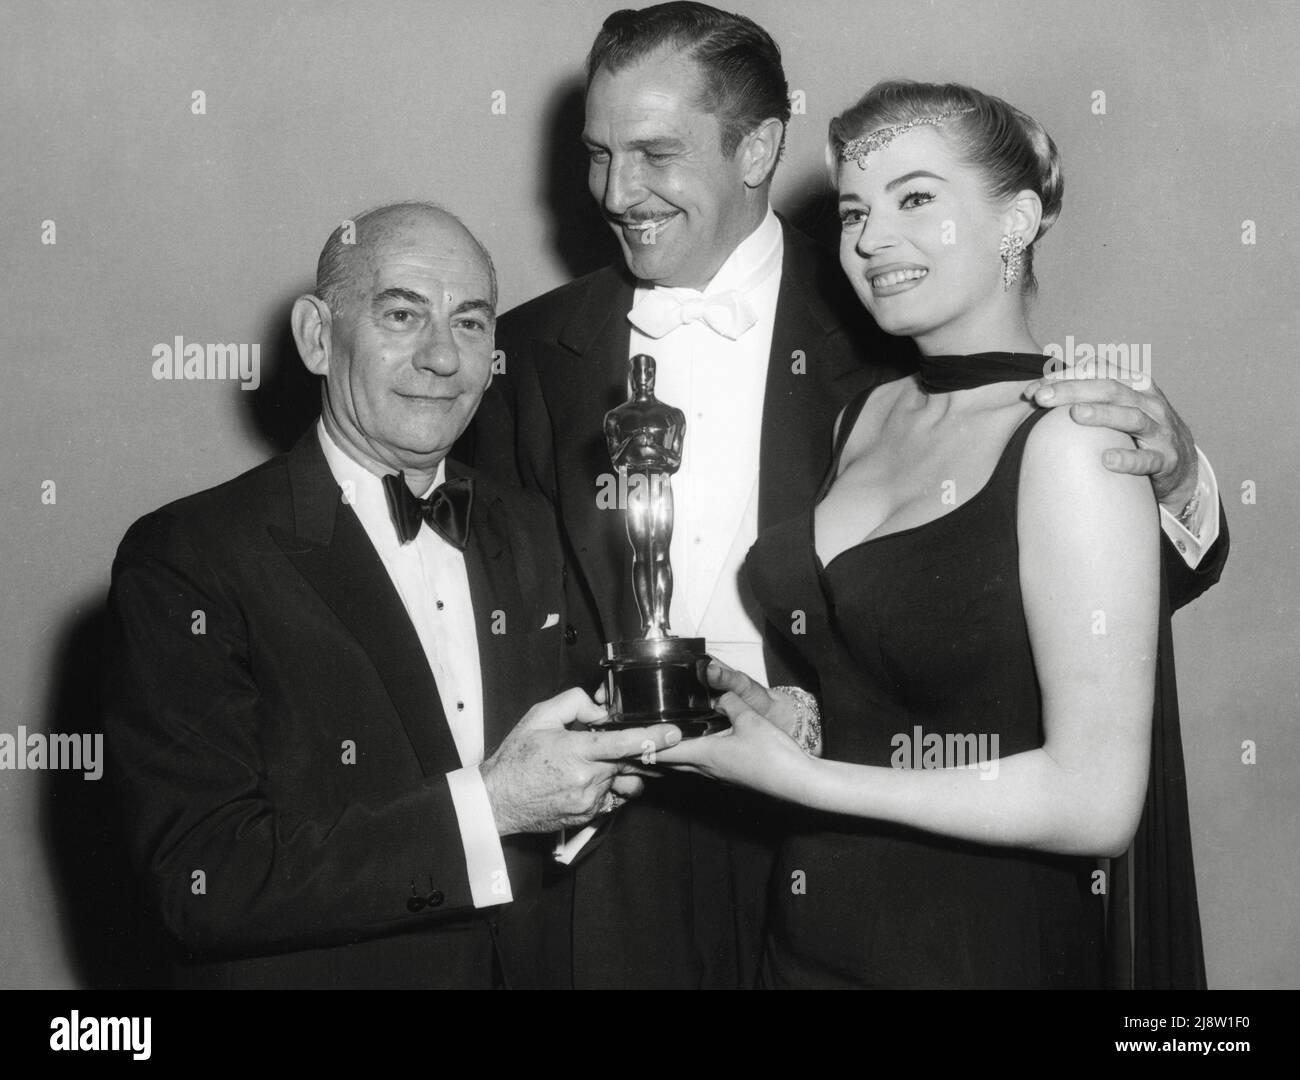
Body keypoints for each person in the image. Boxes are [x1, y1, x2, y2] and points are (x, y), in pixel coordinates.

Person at [461, 2, 1228, 990]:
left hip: (873, 835)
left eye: (655, 153)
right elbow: (487, 616)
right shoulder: (524, 358)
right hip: (621, 857)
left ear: (759, 149)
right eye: (598, 155)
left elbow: (1096, 578)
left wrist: (1175, 474)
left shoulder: (900, 319)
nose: (618, 192)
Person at [658, 80, 1213, 989]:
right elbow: (890, 686)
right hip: (802, 946)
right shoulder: (861, 415)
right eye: (852, 210)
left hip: (978, 952)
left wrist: (804, 783)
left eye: (915, 197)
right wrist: (793, 722)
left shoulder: (1075, 433)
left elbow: (1097, 803)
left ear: (1017, 221)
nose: (871, 239)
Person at [101, 202, 680, 989]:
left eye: (471, 323)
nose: (443, 357)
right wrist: (492, 808)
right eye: (403, 314)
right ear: (316, 337)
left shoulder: (532, 527)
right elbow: (202, 878)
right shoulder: (191, 557)